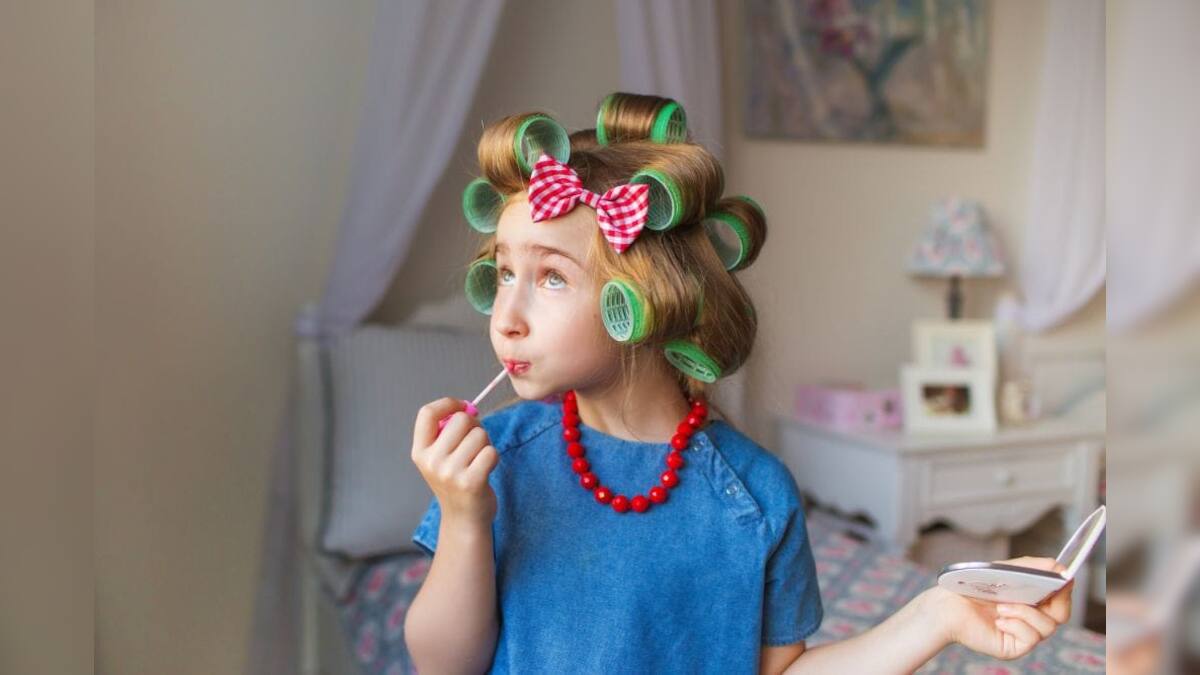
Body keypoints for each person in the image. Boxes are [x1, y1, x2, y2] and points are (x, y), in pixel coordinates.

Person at [403, 92, 1074, 674]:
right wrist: (464, 518)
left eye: (551, 276)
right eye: (505, 273)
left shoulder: (755, 495)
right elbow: (441, 664)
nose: (507, 316)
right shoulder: (496, 461)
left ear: (648, 295)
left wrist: (939, 614)